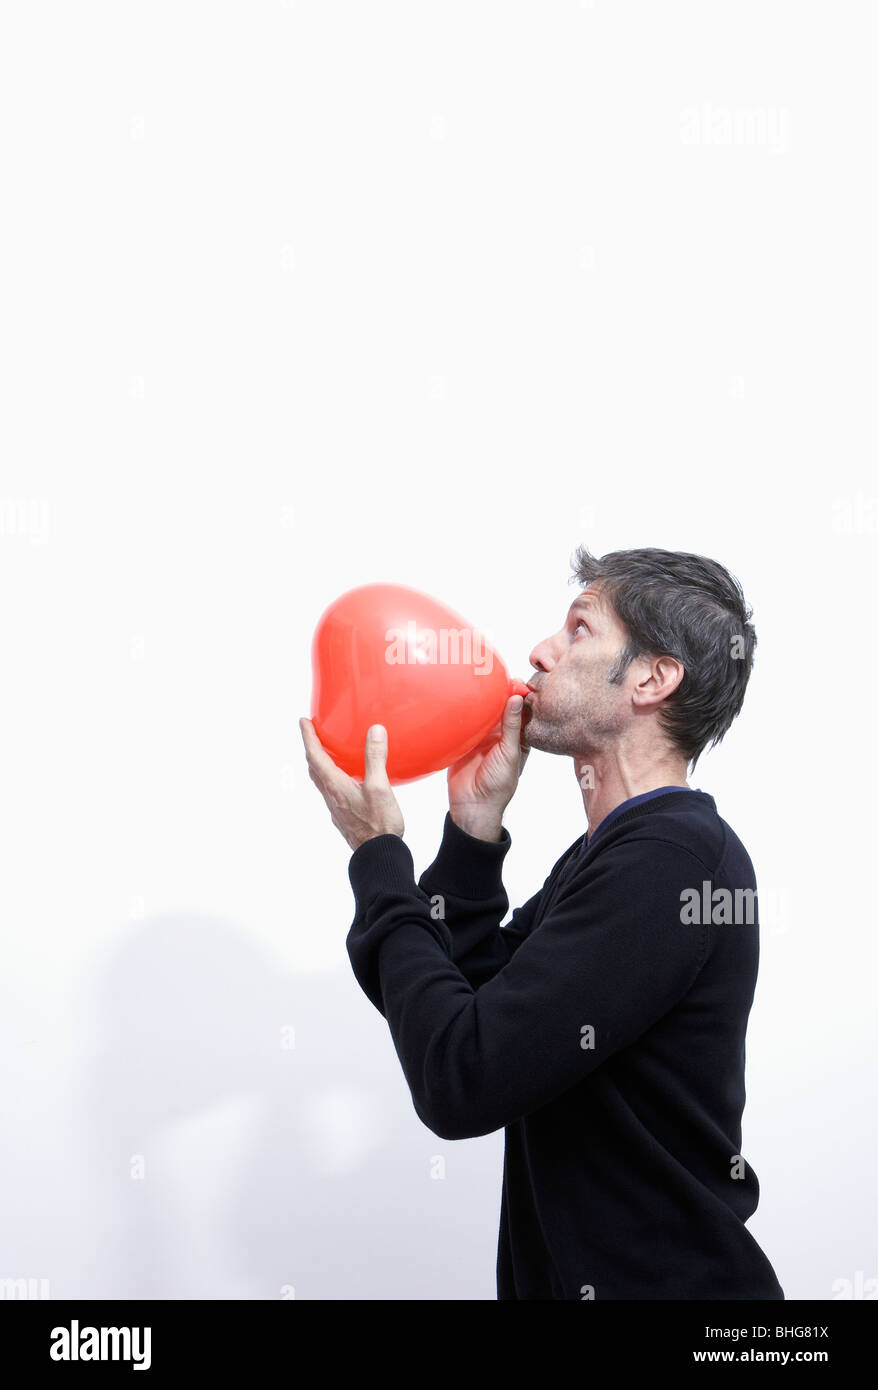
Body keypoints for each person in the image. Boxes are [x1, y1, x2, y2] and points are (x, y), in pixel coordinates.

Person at [300, 545, 784, 1300]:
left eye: (579, 629)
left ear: (654, 679)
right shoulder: (615, 855)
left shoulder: (674, 862)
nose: (539, 651)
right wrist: (471, 836)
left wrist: (379, 854)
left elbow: (460, 1080)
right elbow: (454, 1004)